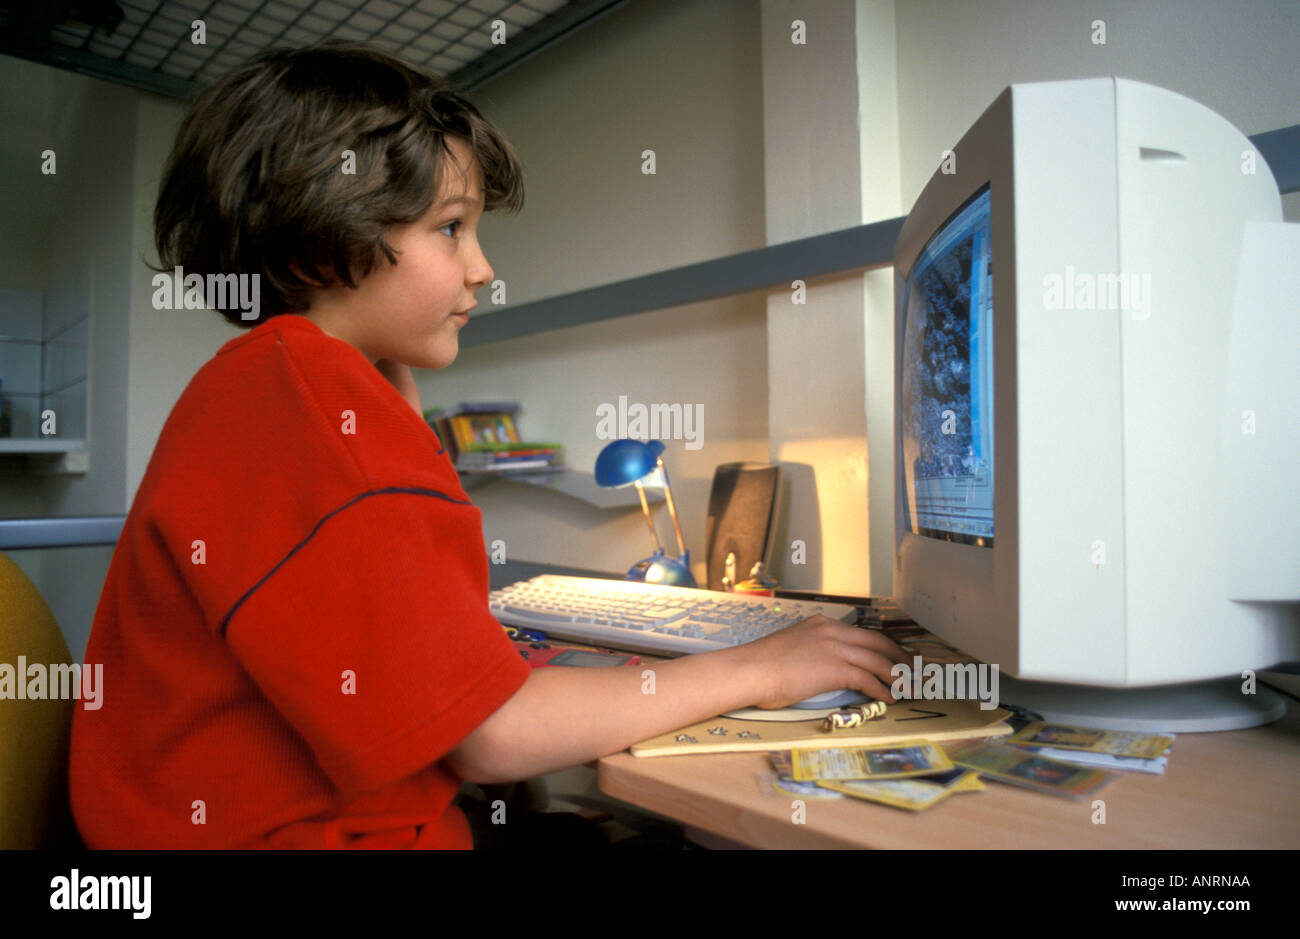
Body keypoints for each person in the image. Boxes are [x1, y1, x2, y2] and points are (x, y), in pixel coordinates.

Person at [69, 41, 908, 850]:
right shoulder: (316, 402)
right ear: (321, 243)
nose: (481, 267)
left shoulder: (270, 385)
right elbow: (491, 738)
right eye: (450, 229)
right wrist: (758, 669)